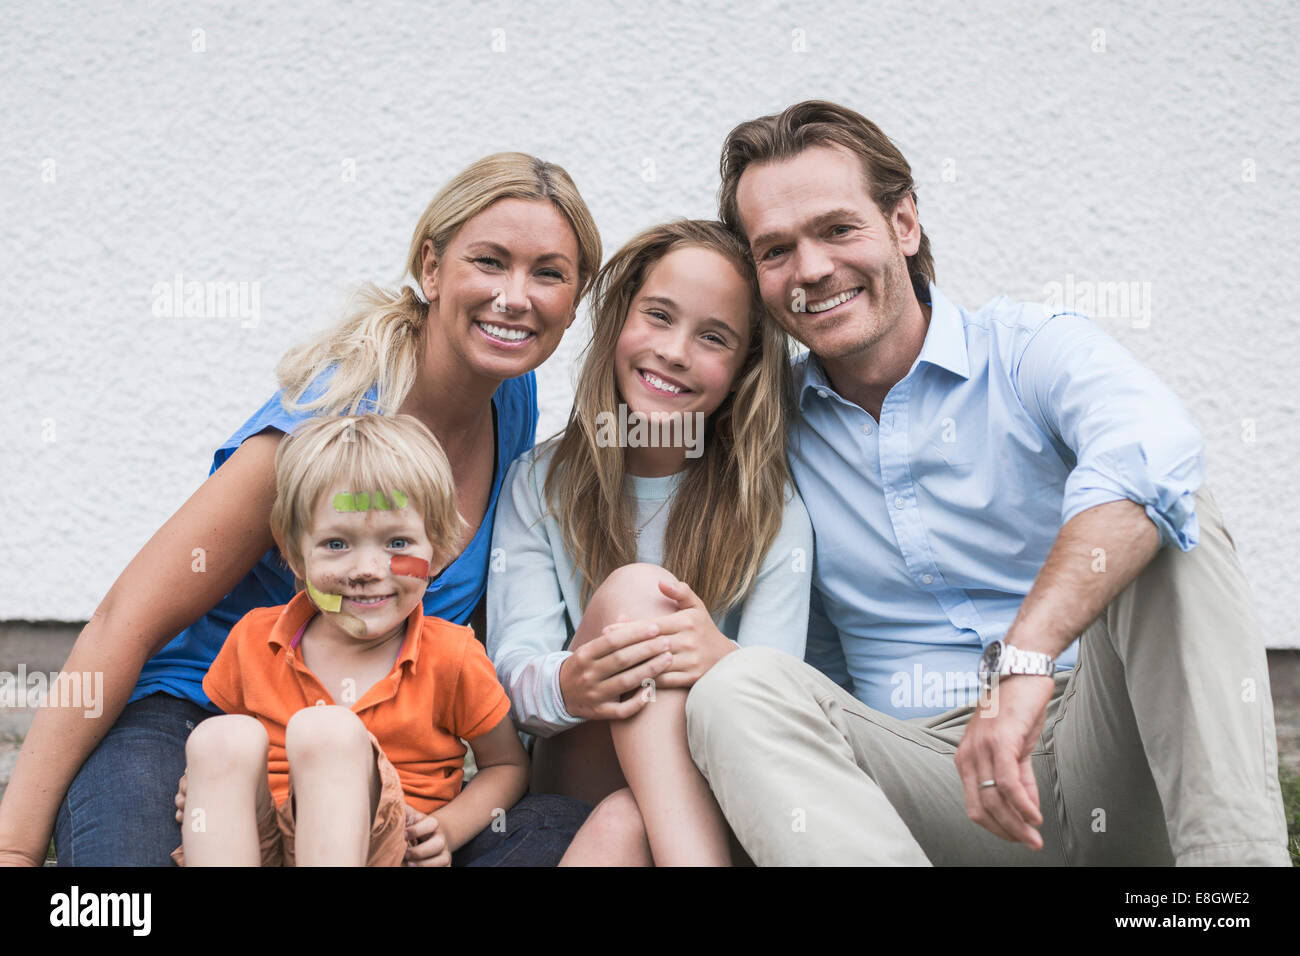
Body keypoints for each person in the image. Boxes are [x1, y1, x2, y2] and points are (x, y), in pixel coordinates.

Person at [684, 100, 1291, 866]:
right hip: (928, 788)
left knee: (1171, 518)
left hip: (1110, 745)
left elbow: (1152, 449)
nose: (810, 269)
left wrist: (1026, 663)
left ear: (903, 223)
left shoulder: (1027, 350)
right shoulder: (766, 429)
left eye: (838, 229)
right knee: (734, 689)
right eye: (776, 250)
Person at [0, 152, 602, 867]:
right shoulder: (322, 420)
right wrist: (13, 845)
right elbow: (122, 619)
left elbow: (456, 652)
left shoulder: (510, 398)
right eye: (490, 262)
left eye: (548, 273)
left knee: (563, 835)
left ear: (576, 297)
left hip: (374, 752)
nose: (514, 297)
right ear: (432, 269)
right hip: (212, 722)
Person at [487, 220, 813, 865]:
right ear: (618, 321)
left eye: (713, 337)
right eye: (658, 316)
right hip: (573, 775)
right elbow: (511, 670)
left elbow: (778, 705)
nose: (674, 351)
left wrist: (719, 657)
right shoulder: (540, 482)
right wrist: (572, 684)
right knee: (640, 591)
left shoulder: (770, 509)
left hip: (711, 783)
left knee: (625, 821)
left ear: (745, 367)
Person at [174, 413, 529, 866]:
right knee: (219, 737)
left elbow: (508, 766)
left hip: (385, 845)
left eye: (397, 543)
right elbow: (232, 761)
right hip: (264, 844)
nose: (366, 569)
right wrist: (204, 778)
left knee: (327, 730)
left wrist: (449, 828)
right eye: (337, 544)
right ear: (293, 550)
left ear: (438, 548)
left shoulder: (452, 655)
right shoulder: (254, 639)